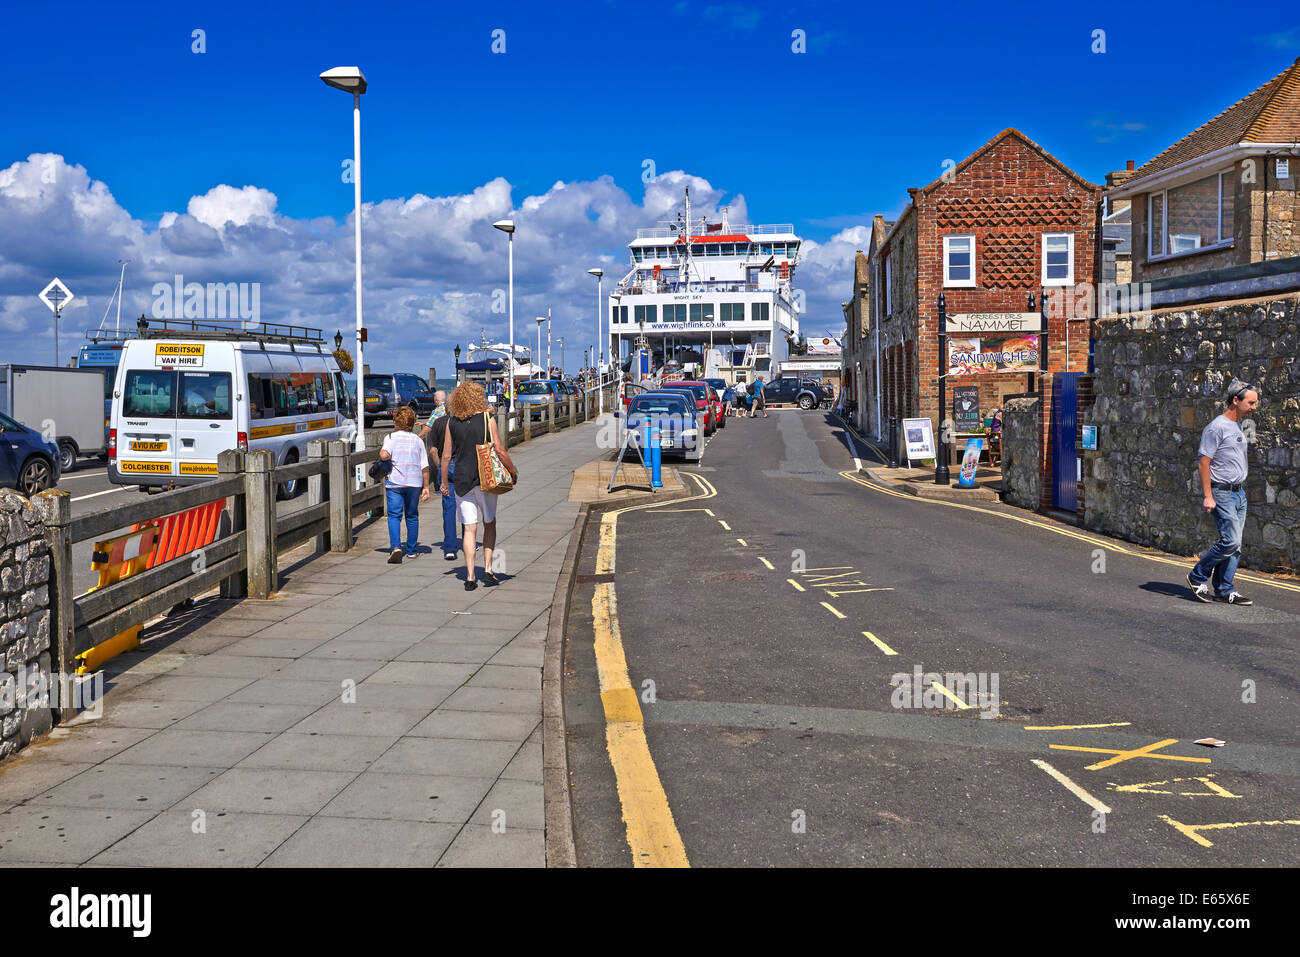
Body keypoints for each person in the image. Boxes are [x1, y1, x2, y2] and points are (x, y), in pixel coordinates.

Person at [1186, 379, 1259, 605]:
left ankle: (1224, 589)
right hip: (1222, 493)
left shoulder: (1240, 426)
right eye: (1251, 403)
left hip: (1238, 494)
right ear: (1235, 401)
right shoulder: (1216, 427)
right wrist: (1208, 495)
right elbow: (1203, 462)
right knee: (1230, 541)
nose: (1254, 407)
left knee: (1235, 546)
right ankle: (1197, 575)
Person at [440, 382, 518, 590]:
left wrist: (444, 481)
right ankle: (489, 570)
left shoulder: (452, 422)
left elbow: (446, 455)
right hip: (486, 477)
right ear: (478, 397)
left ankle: (470, 577)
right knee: (489, 522)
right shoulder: (487, 418)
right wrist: (512, 471)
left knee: (469, 529)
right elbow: (500, 450)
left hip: (462, 479)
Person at [379, 406, 430, 563]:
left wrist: (385, 455)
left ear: (396, 422)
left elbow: (384, 454)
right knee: (412, 515)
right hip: (414, 483)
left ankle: (396, 547)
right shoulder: (418, 440)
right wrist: (426, 487)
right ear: (412, 423)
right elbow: (425, 466)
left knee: (394, 515)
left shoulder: (390, 438)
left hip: (395, 482)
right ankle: (412, 550)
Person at [418, 391, 458, 561]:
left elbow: (433, 449)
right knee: (466, 506)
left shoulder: (439, 423)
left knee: (449, 508)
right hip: (463, 466)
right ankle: (469, 541)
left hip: (445, 466)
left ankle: (449, 547)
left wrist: (439, 465)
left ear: (446, 407)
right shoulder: (463, 423)